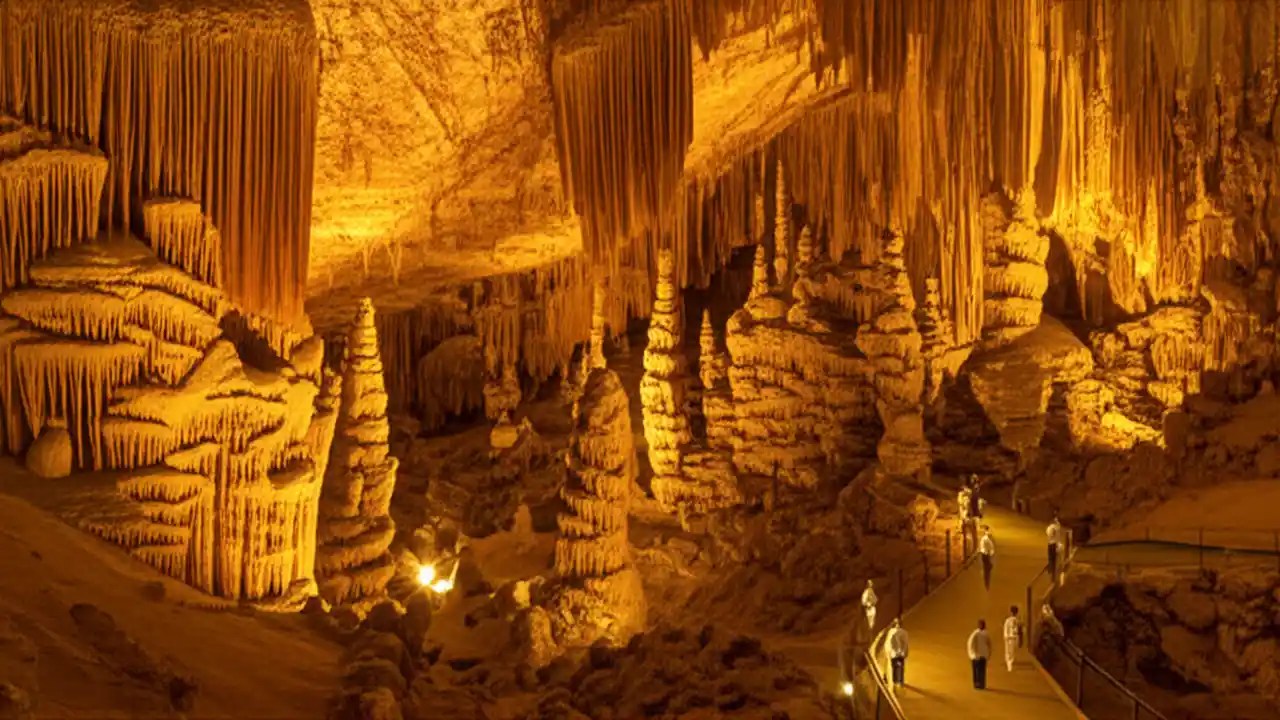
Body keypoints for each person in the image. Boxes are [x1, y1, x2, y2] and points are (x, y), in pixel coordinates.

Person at [967, 619, 991, 689]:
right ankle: (977, 684)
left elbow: (989, 645)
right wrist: (972, 654)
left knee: (981, 671)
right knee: (976, 671)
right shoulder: (975, 634)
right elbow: (970, 644)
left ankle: (982, 684)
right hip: (976, 656)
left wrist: (988, 654)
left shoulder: (986, 634)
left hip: (982, 655)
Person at [885, 618, 909, 687]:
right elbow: (905, 644)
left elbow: (889, 642)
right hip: (899, 653)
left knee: (896, 666)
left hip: (896, 653)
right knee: (899, 666)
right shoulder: (904, 632)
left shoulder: (892, 632)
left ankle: (896, 680)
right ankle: (899, 681)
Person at [1003, 605, 1023, 671]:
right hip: (1010, 638)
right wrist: (1006, 636)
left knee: (1012, 651)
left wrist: (1020, 639)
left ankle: (1010, 662)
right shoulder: (1009, 620)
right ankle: (1009, 664)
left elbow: (1020, 630)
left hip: (1013, 637)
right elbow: (1006, 628)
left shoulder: (1016, 621)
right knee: (1009, 651)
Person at [979, 526, 996, 590]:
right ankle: (988, 567)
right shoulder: (986, 539)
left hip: (985, 554)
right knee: (986, 566)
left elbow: (990, 547)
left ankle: (987, 568)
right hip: (986, 554)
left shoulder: (986, 539)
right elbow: (991, 547)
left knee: (986, 566)